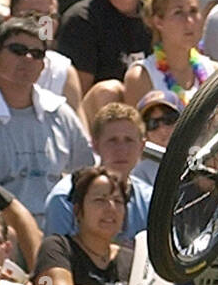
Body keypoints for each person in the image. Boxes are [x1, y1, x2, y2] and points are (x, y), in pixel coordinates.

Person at [0, 17, 94, 229]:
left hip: (62, 234)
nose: (28, 58)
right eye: (18, 50)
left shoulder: (61, 114)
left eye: (36, 54)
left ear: (43, 66)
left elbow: (87, 176)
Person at [32, 166, 133, 285]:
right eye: (100, 200)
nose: (111, 208)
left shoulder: (132, 258)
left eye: (118, 201)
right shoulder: (55, 248)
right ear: (78, 210)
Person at [44, 101, 153, 241]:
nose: (121, 150)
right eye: (112, 141)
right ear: (95, 145)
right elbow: (55, 254)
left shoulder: (150, 200)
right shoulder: (65, 198)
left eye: (129, 140)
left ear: (142, 146)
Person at [123, 0, 218, 107]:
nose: (189, 21)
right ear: (159, 22)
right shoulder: (141, 77)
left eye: (193, 11)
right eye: (178, 13)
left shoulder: (216, 72)